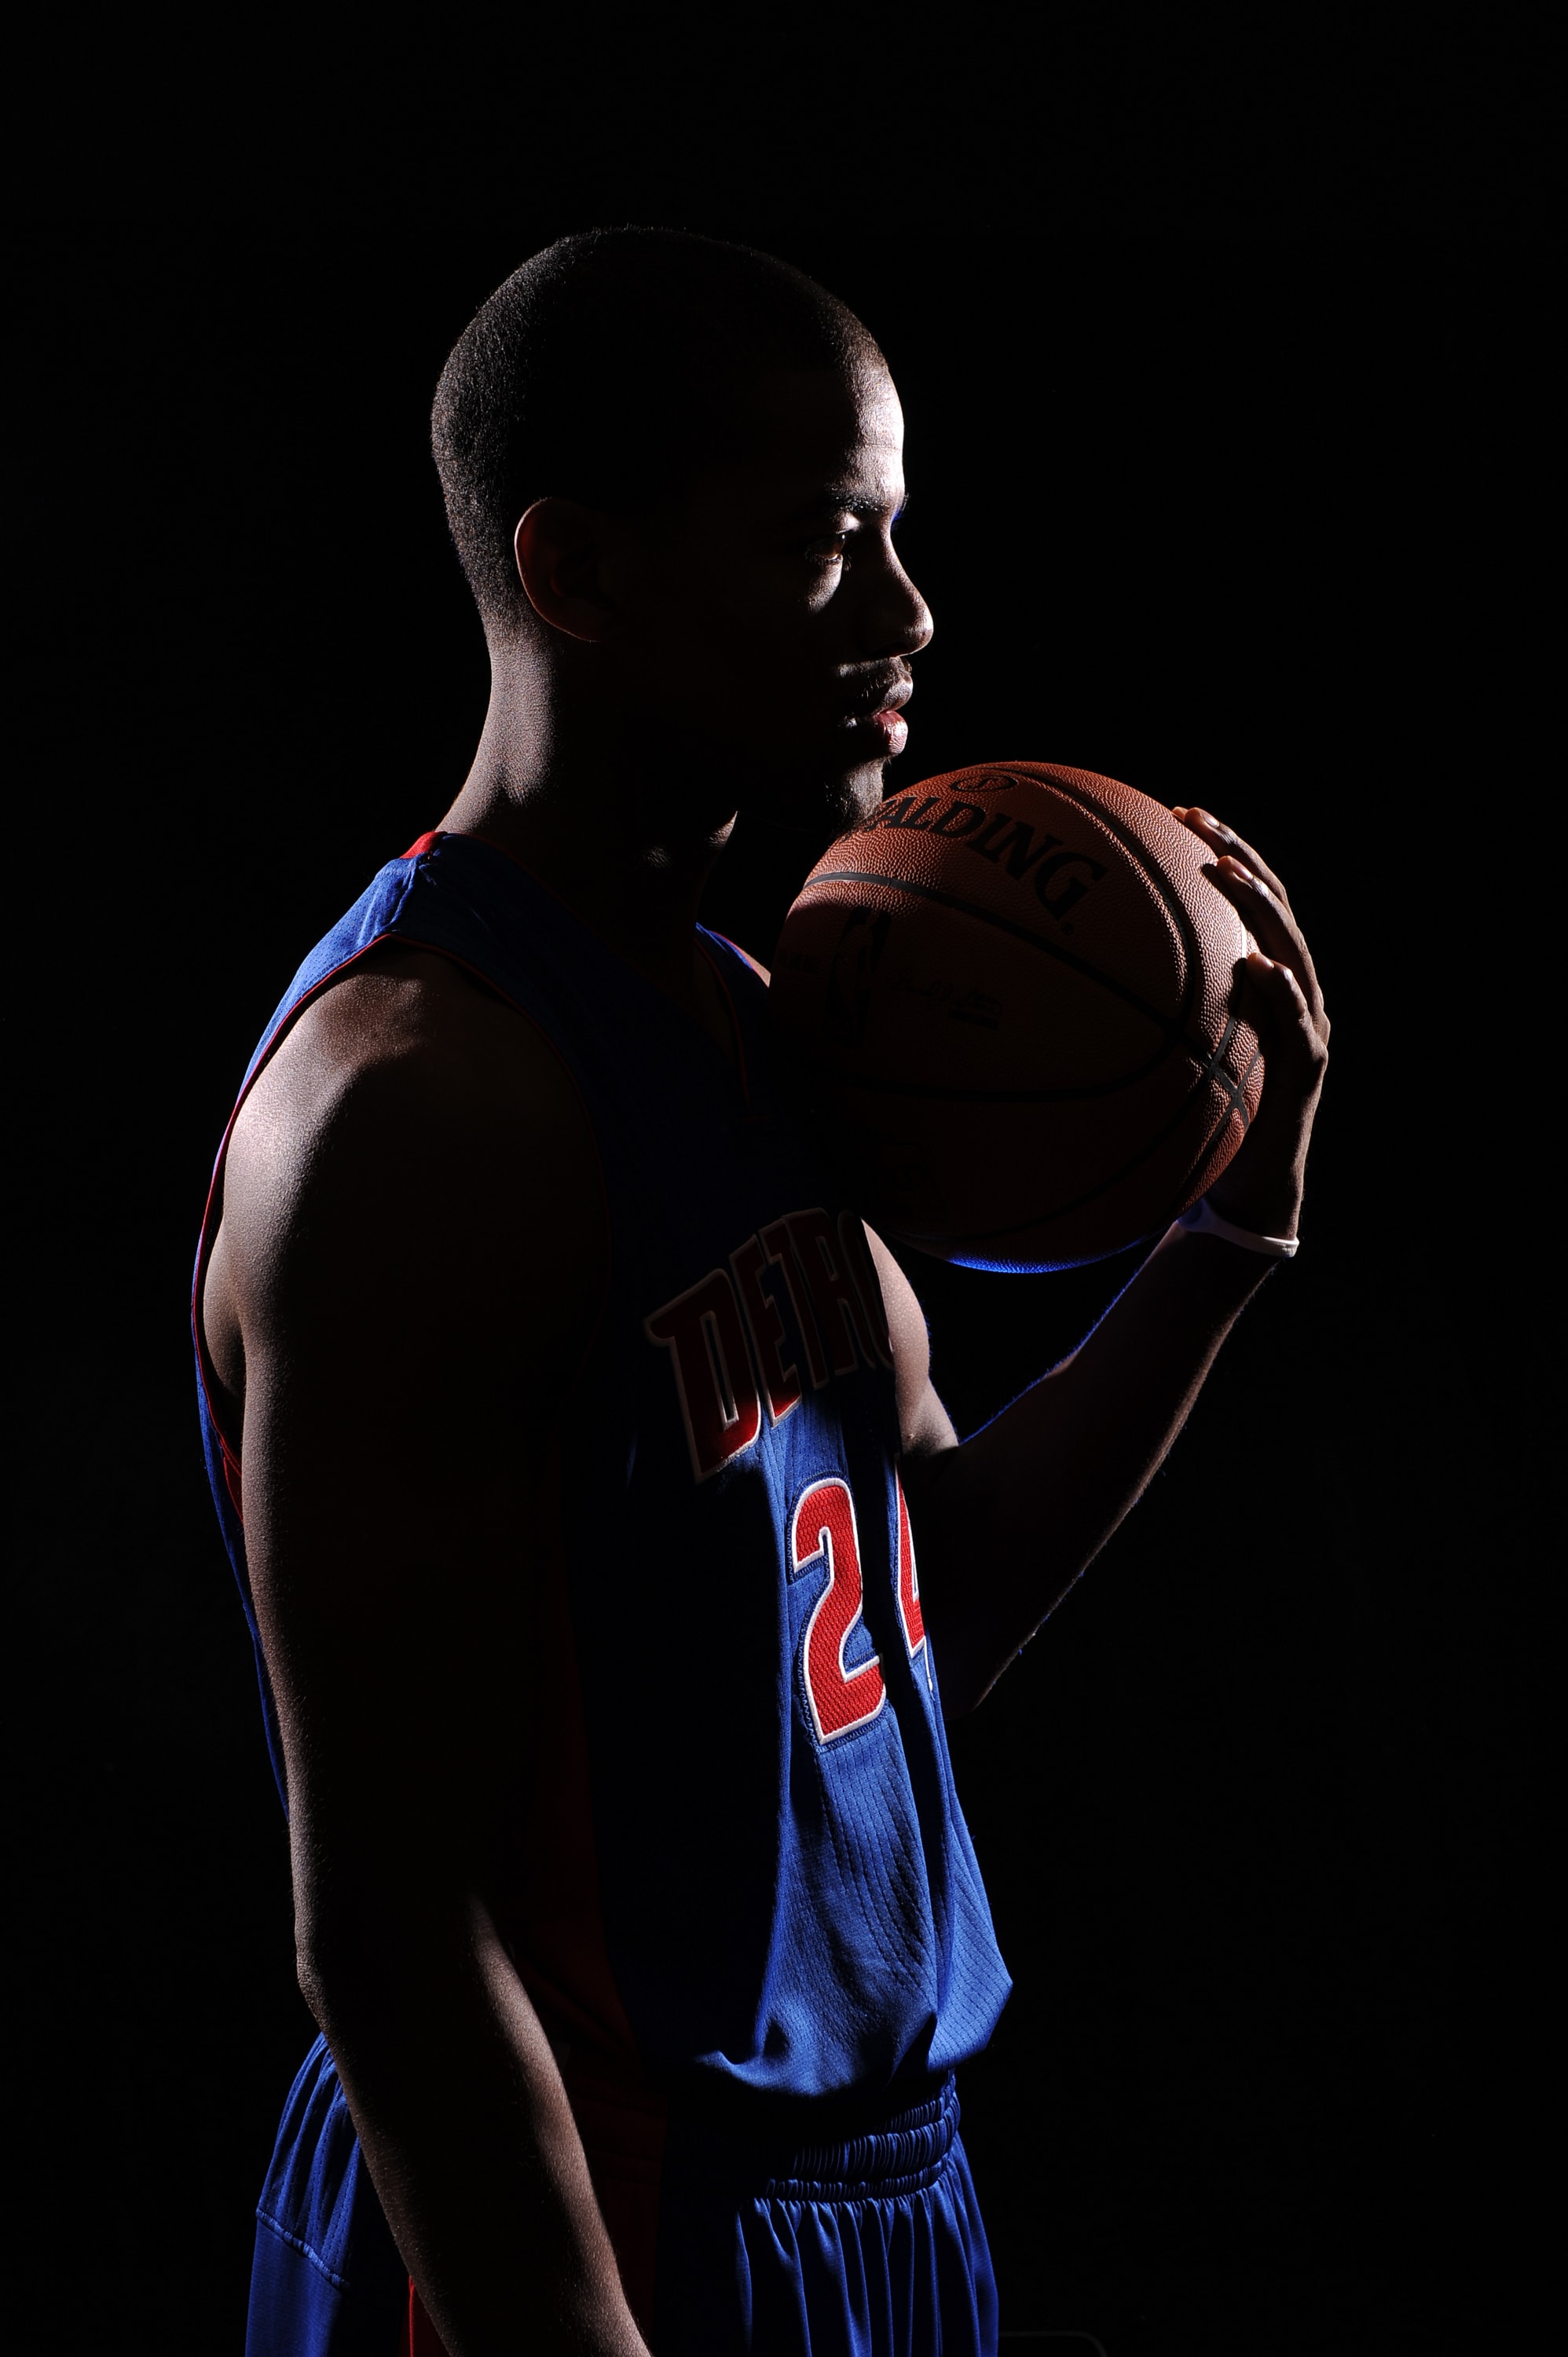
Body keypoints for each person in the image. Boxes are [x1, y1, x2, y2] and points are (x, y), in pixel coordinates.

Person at [194, 228, 1328, 2357]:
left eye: (899, 534)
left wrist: (1220, 1243)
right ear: (584, 571)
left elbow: (920, 1607)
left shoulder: (741, 1017)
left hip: (881, 2198)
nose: (910, 615)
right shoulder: (417, 1106)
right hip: (578, 2214)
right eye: (833, 542)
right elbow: (392, 1933)